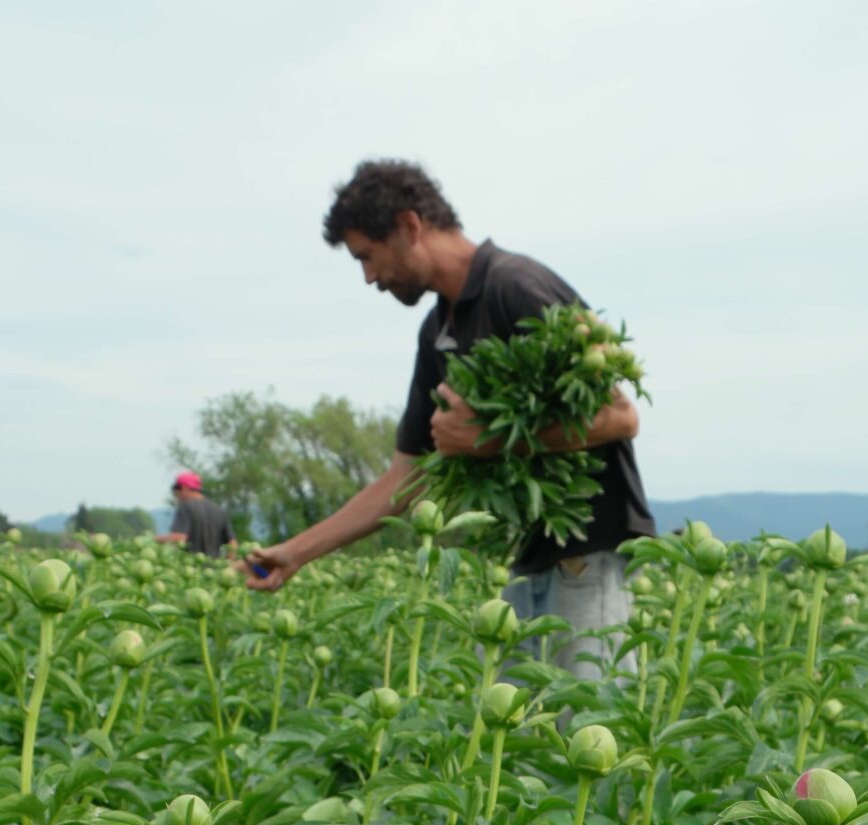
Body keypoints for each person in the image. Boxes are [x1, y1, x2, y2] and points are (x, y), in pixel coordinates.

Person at [237, 160, 651, 681]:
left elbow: (619, 414)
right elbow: (408, 475)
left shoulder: (516, 286)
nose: (368, 277)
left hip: (585, 561)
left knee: (593, 734)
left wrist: (489, 441)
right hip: (520, 562)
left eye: (367, 256)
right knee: (510, 747)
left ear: (410, 227)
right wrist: (294, 554)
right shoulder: (438, 329)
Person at [158, 472, 235, 558]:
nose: (177, 498)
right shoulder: (219, 510)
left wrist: (156, 539)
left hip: (191, 567)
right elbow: (232, 544)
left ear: (184, 488)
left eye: (177, 493)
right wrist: (228, 565)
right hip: (215, 568)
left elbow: (179, 538)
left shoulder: (186, 507)